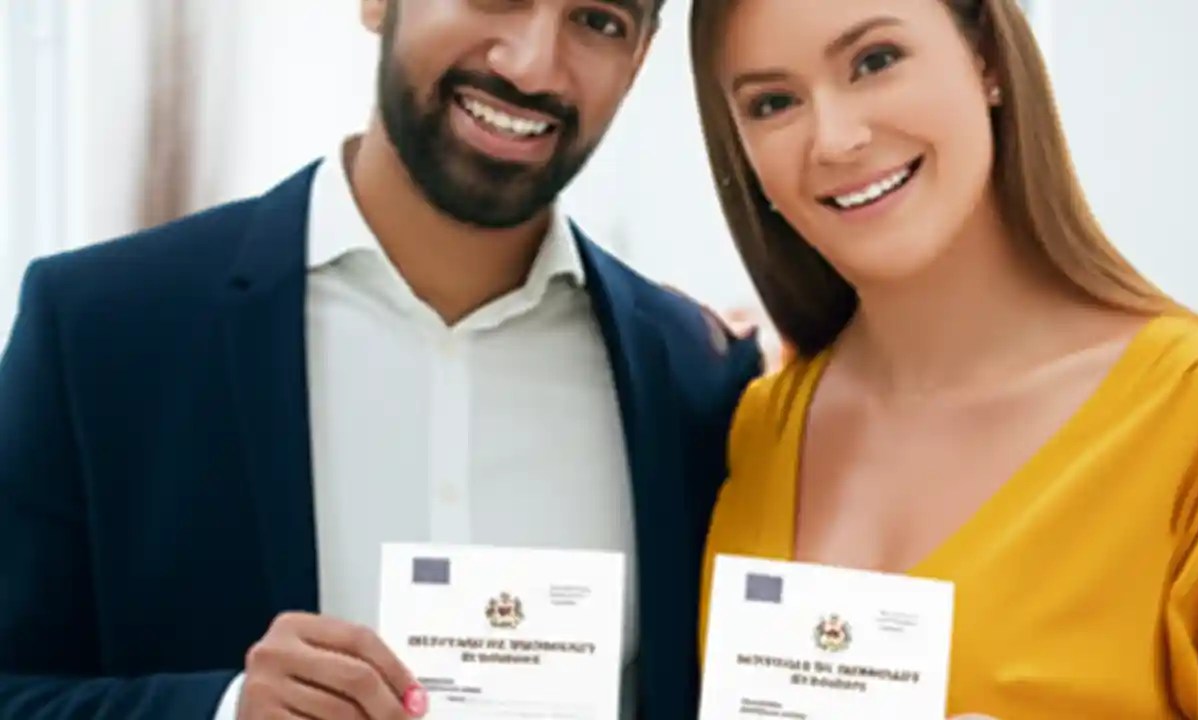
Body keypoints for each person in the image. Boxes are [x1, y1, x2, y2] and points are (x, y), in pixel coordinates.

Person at [0, 0, 762, 718]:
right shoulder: (100, 330)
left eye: (598, 19)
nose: (533, 66)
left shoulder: (695, 380)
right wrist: (224, 710)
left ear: (639, 58)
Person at [688, 0, 1198, 717]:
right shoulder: (759, 428)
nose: (836, 140)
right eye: (774, 103)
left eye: (875, 61)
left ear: (988, 61)